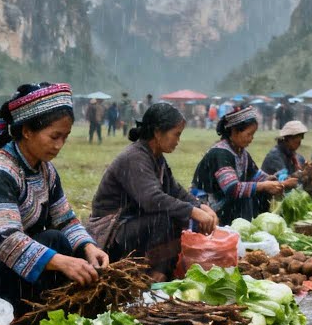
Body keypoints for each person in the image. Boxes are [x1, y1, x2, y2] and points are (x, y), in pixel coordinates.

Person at [0, 83, 108, 317]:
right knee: (54, 244)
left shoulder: (46, 170)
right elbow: (6, 240)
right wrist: (62, 262)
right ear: (27, 131)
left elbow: (64, 219)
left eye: (64, 137)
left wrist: (88, 247)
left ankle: (55, 312)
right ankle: (32, 316)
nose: (59, 145)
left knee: (60, 243)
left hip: (12, 259)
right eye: (54, 136)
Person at [89, 103, 218, 282]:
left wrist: (203, 207)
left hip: (132, 225)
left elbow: (176, 192)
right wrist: (193, 212)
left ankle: (159, 273)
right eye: (176, 134)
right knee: (166, 217)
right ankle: (148, 273)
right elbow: (151, 199)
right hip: (110, 233)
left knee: (175, 215)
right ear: (158, 133)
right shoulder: (134, 158)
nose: (178, 141)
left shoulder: (156, 158)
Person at [193, 106, 297, 225]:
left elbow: (255, 175)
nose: (251, 138)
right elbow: (232, 188)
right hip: (209, 208)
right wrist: (263, 185)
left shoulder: (241, 153)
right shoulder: (220, 153)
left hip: (226, 204)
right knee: (252, 196)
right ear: (234, 131)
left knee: (257, 194)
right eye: (249, 134)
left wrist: (275, 181)